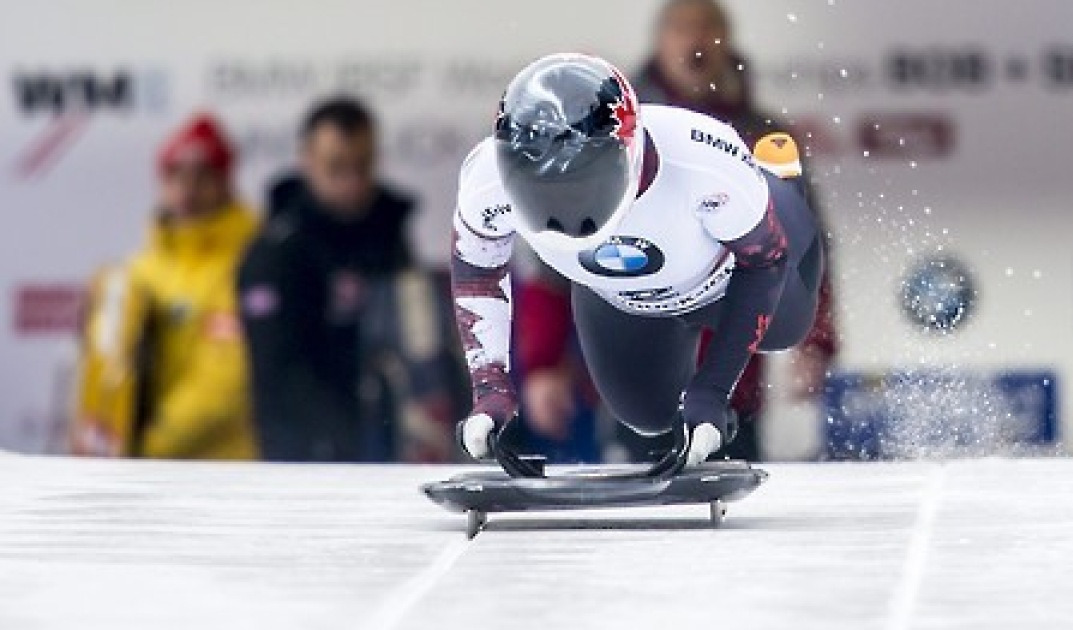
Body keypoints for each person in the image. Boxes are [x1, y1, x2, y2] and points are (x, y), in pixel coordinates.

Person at [452, 54, 824, 467]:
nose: (566, 214)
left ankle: (776, 177)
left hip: (735, 274)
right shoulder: (484, 181)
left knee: (787, 326)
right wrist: (490, 392)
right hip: (619, 293)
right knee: (646, 417)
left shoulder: (702, 161)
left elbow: (764, 263)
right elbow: (479, 272)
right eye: (541, 192)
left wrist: (714, 389)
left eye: (581, 186)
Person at [238, 97, 460, 462]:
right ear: (306, 159)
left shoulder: (390, 233)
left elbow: (418, 345)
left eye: (363, 165)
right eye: (336, 167)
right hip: (308, 460)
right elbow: (280, 376)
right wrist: (344, 442)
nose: (352, 182)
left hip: (397, 449)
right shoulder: (276, 254)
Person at [72, 113, 258, 459]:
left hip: (221, 470)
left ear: (226, 182)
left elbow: (226, 381)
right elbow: (108, 369)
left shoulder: (247, 266)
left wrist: (152, 443)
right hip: (142, 468)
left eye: (203, 176)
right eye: (176, 175)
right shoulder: (137, 271)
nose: (188, 189)